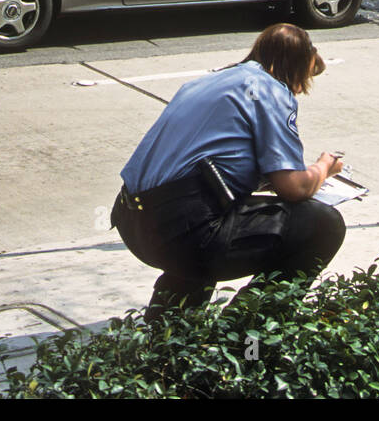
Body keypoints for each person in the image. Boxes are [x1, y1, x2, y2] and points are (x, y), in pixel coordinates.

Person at [111, 23, 347, 315]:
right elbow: (294, 187)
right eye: (301, 83)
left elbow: (206, 163)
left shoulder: (209, 81)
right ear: (292, 68)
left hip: (136, 223)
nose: (297, 92)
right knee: (323, 224)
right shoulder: (270, 88)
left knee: (219, 215)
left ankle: (166, 338)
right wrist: (324, 167)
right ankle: (244, 337)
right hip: (183, 233)